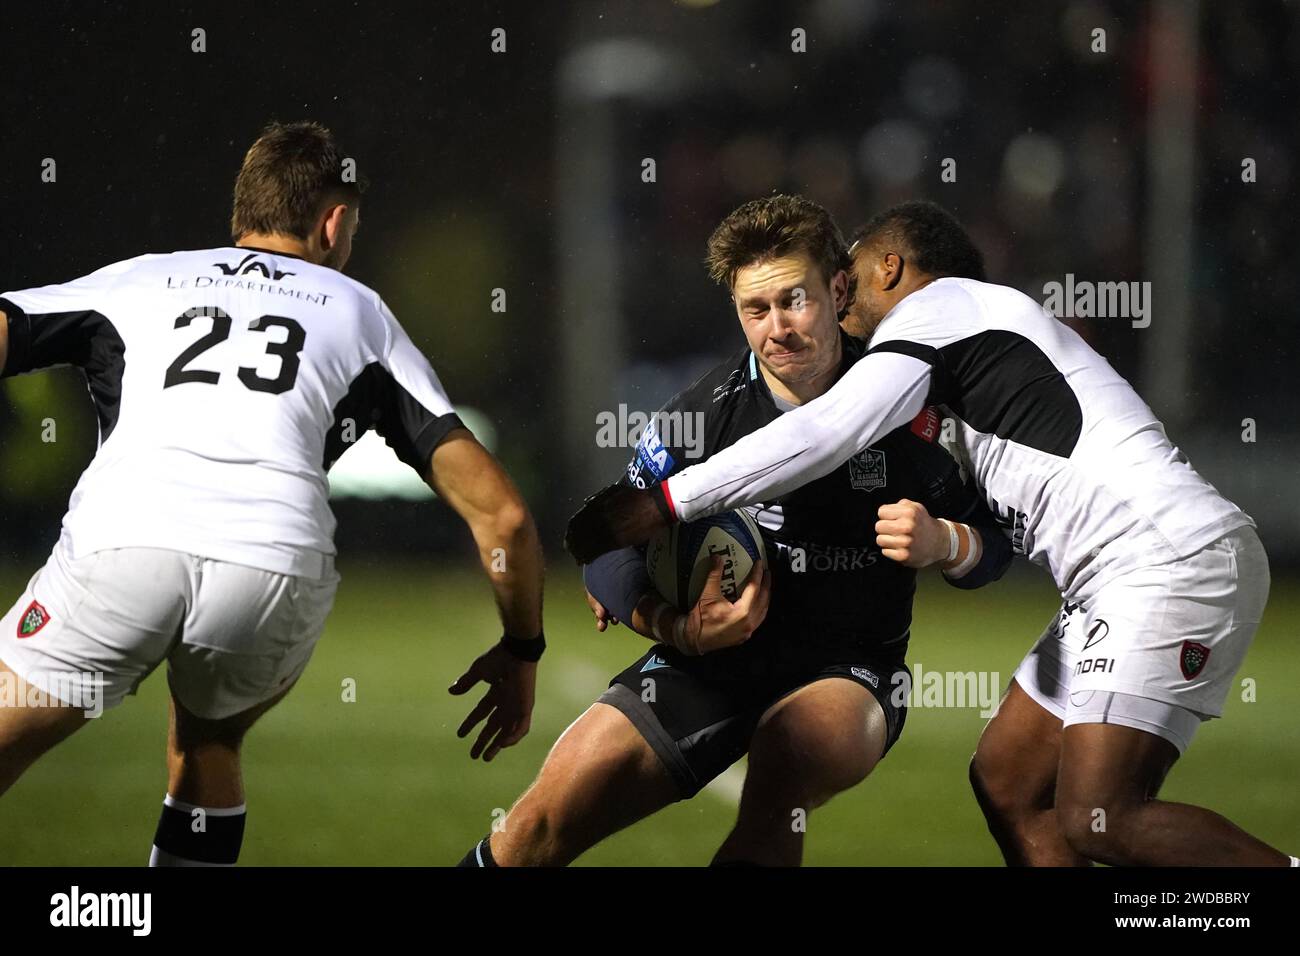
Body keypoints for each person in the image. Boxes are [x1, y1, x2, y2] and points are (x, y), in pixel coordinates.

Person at [566, 200, 1295, 868]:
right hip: (1111, 580)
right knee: (1009, 781)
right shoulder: (968, 361)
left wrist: (663, 505)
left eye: (844, 276)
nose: (838, 299)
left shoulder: (941, 309)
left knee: (1101, 816)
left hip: (1164, 559)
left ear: (888, 268)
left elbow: (826, 431)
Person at [0, 120, 545, 866]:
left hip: (125, 543)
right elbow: (505, 518)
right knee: (208, 741)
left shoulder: (140, 278)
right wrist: (521, 650)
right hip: (272, 568)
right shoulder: (360, 312)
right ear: (333, 220)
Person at [461, 195, 1008, 867]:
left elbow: (996, 545)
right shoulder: (703, 416)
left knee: (784, 763)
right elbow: (607, 547)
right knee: (537, 823)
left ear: (839, 289)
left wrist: (943, 542)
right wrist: (678, 626)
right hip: (708, 667)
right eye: (756, 309)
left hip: (850, 670)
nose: (777, 328)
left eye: (794, 300)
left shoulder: (916, 395)